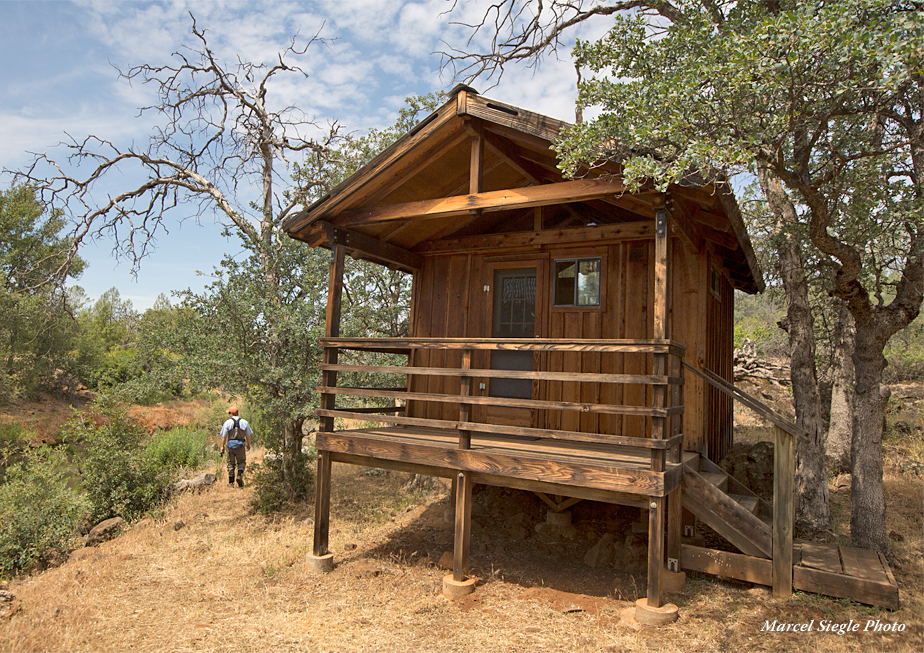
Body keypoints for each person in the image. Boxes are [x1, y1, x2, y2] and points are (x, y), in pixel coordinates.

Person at [220, 406, 252, 487]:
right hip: (240, 446)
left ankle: (231, 483)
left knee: (231, 464)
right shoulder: (245, 422)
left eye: (229, 413)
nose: (229, 415)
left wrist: (222, 447)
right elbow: (248, 435)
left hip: (230, 446)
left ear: (232, 414)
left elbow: (224, 436)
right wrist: (248, 444)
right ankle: (239, 476)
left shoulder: (227, 423)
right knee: (241, 462)